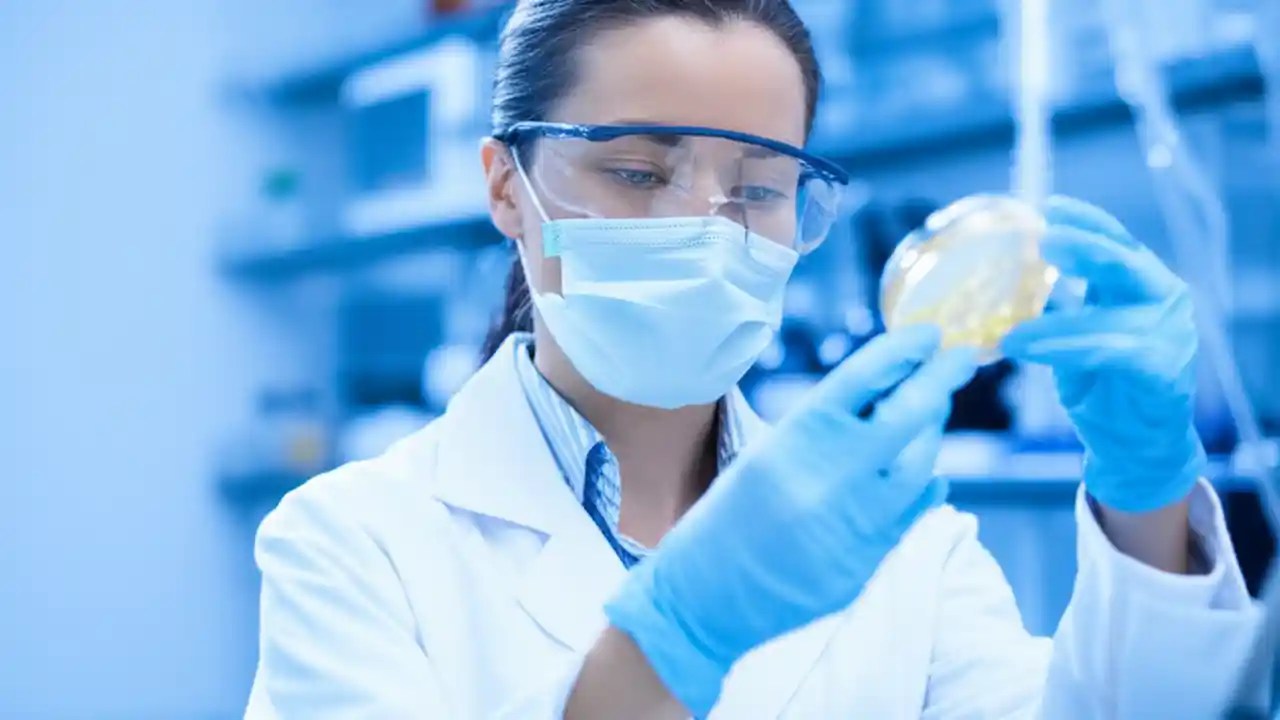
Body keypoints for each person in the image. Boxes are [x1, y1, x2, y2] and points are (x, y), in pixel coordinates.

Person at [246, 1, 1259, 717]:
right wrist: (675, 633)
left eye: (758, 187)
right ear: (506, 187)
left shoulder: (909, 546)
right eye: (637, 172)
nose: (703, 226)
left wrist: (1144, 503)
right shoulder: (351, 545)